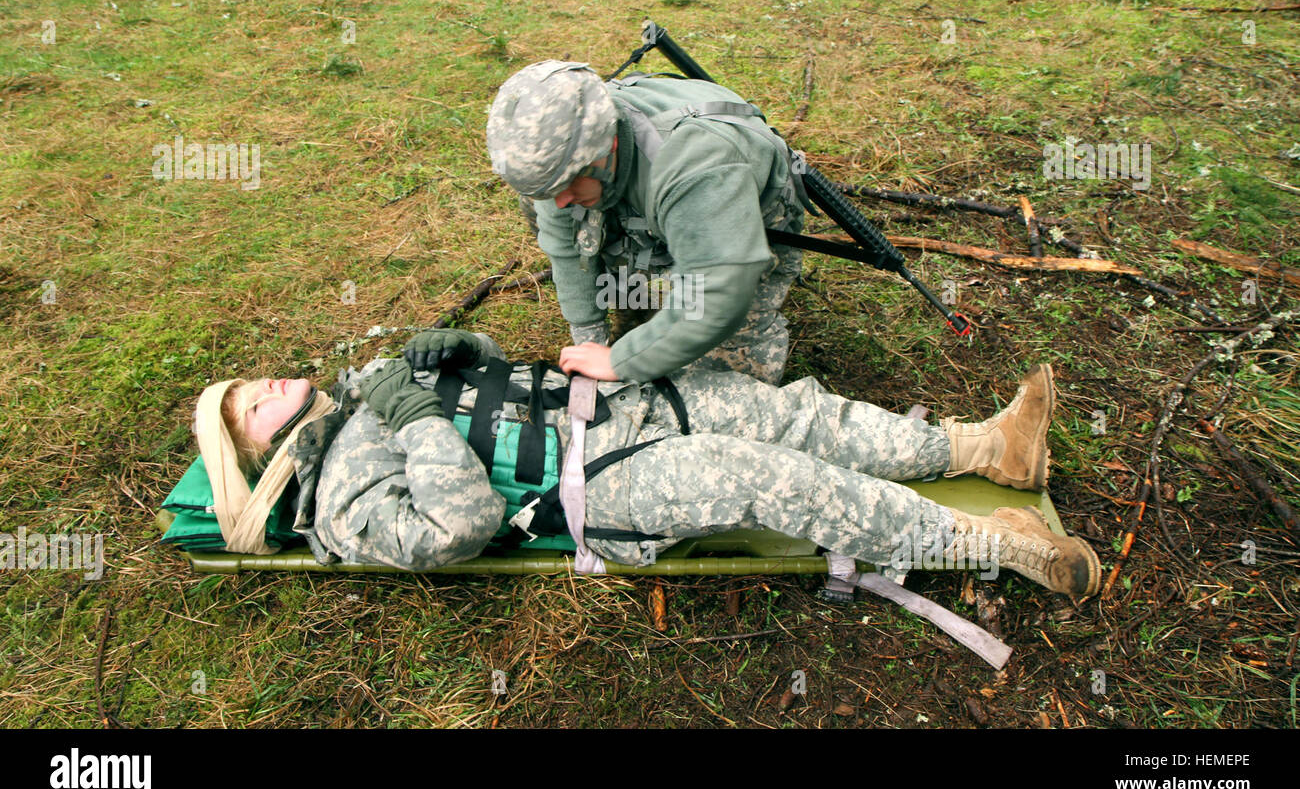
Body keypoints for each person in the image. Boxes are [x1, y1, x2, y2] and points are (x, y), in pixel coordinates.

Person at [189, 329, 1101, 597]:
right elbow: (457, 527)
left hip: (598, 409)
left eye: (256, 380)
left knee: (789, 415)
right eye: (252, 405)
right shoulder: (341, 500)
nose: (267, 384)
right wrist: (415, 409)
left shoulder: (373, 384)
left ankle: (987, 447)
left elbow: (499, 390)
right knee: (771, 478)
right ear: (262, 456)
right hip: (587, 489)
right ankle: (989, 545)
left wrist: (463, 351)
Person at [486, 60, 805, 386]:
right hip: (648, 197)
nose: (560, 200)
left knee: (722, 386)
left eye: (568, 184)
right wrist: (588, 337)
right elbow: (565, 243)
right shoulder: (566, 153)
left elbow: (716, 295)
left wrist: (620, 362)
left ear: (607, 145)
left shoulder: (697, 166)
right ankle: (636, 297)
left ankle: (739, 319)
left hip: (734, 220)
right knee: (545, 203)